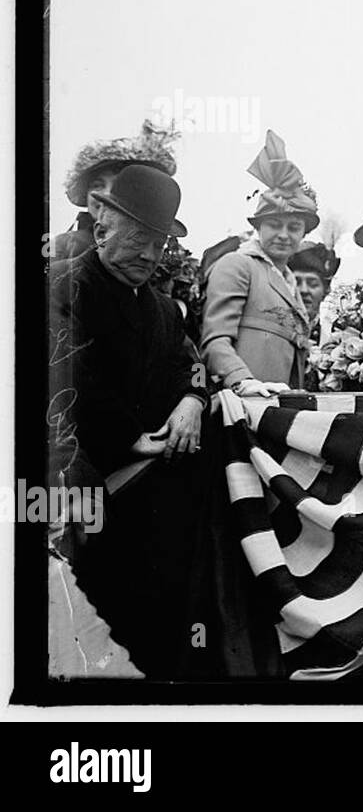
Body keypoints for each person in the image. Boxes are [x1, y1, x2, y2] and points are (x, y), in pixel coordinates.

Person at [47, 164, 209, 676]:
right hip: (78, 476)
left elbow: (191, 363)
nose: (148, 255)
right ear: (100, 231)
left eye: (158, 244)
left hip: (147, 495)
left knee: (154, 613)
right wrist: (131, 439)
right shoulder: (62, 287)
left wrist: (192, 400)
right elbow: (59, 382)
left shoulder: (162, 308)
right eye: (137, 240)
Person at [200, 131, 316, 396]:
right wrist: (243, 382)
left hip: (278, 411)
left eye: (294, 227)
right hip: (241, 403)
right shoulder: (238, 265)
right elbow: (214, 341)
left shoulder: (288, 279)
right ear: (258, 228)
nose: (284, 235)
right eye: (274, 225)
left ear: (303, 234)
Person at [53, 122, 178, 260]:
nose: (107, 194)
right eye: (97, 185)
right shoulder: (63, 247)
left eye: (120, 185)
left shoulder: (165, 253)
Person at [288, 241, 340, 338]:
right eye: (296, 283)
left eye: (312, 284)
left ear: (326, 290)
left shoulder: (334, 335)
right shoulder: (272, 329)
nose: (303, 290)